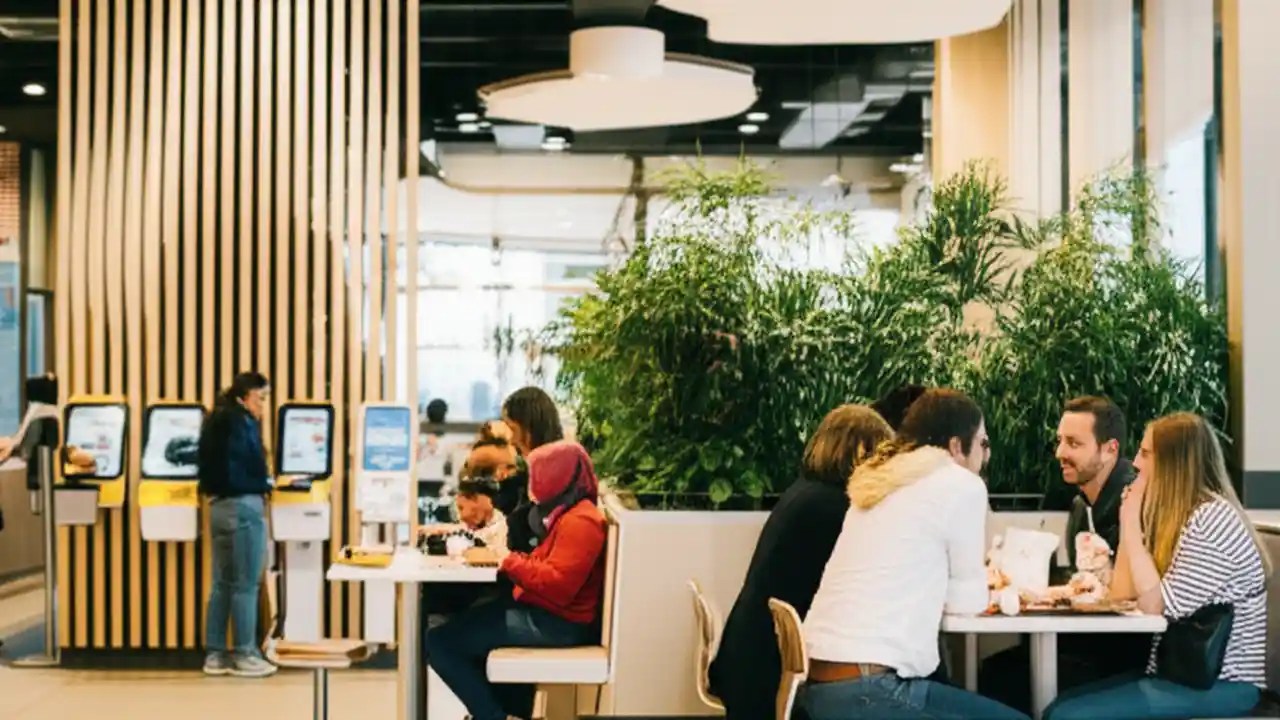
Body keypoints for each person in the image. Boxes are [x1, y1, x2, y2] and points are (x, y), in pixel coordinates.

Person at [799, 389, 1027, 720]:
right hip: (869, 690)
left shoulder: (880, 482)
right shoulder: (961, 483)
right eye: (983, 443)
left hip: (819, 689)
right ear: (955, 446)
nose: (986, 455)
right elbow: (968, 603)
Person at [1043, 412, 1270, 720]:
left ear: (1174, 462)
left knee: (1067, 716)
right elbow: (1122, 593)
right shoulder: (1179, 516)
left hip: (1222, 685)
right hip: (1175, 675)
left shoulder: (1213, 520)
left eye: (1146, 453)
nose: (1135, 462)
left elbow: (1154, 607)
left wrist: (1130, 519)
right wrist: (1131, 517)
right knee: (1059, 705)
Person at [710, 405, 893, 720]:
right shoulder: (835, 509)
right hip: (768, 680)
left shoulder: (803, 495)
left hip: (747, 665)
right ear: (863, 453)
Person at [980, 396, 1148, 711]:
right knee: (998, 670)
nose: (1060, 453)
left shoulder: (1135, 501)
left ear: (1109, 449)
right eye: (1060, 441)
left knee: (1002, 677)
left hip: (1125, 655)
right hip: (1090, 642)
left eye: (1074, 443)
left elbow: (1130, 595)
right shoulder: (1081, 505)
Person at [427, 440, 606, 720]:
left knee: (440, 642)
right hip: (549, 614)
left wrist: (507, 560)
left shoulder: (581, 521)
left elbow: (558, 585)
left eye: (540, 474)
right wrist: (508, 559)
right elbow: (547, 567)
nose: (533, 483)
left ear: (558, 476)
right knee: (460, 626)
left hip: (557, 624)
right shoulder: (568, 514)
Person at [198, 372, 275, 678]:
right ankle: (245, 654)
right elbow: (247, 467)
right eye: (260, 398)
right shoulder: (242, 423)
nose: (263, 406)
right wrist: (267, 483)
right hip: (244, 506)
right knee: (246, 584)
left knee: (222, 583)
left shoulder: (214, 419)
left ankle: (215, 655)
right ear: (244, 397)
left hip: (218, 507)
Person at [499, 387, 565, 554]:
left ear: (529, 429)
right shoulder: (533, 473)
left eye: (513, 429)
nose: (511, 440)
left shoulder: (555, 480)